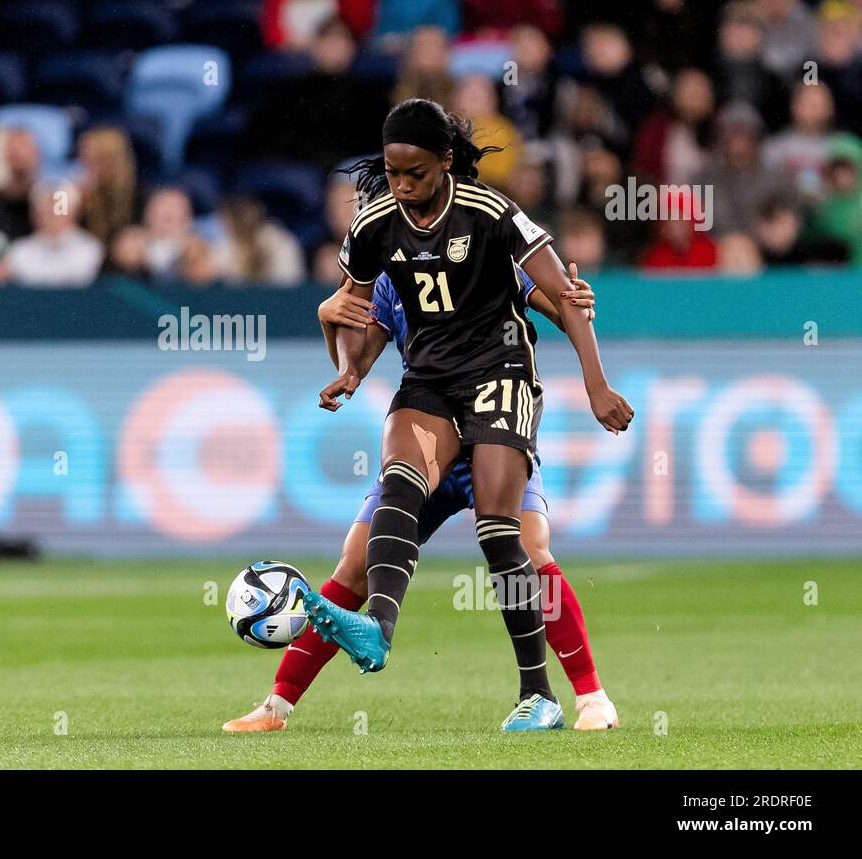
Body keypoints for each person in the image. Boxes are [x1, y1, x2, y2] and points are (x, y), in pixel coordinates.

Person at [305, 99, 633, 731]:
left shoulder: (489, 213)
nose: (401, 186)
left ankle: (538, 695)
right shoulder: (375, 225)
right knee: (399, 476)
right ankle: (377, 629)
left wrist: (597, 385)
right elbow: (358, 313)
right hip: (428, 381)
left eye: (415, 174)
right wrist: (348, 368)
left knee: (500, 532)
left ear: (446, 162)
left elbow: (563, 297)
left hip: (499, 373)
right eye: (394, 173)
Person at [224, 266, 618, 733]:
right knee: (355, 565)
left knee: (529, 550)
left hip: (494, 433)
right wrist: (329, 321)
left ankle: (592, 699)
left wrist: (574, 302)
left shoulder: (485, 242)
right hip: (428, 437)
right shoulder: (388, 275)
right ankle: (276, 706)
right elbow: (355, 368)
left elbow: (557, 307)